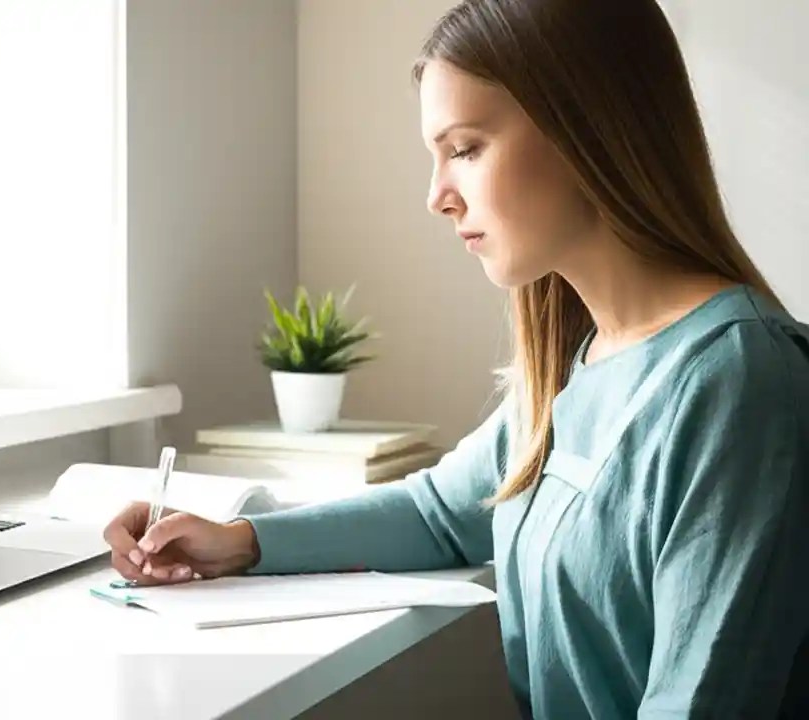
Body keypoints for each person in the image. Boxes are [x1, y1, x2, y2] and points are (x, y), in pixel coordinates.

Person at [102, 0, 809, 717]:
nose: (437, 195)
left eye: (465, 149)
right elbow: (441, 513)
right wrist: (239, 542)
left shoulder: (739, 383)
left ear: (588, 129)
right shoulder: (576, 359)